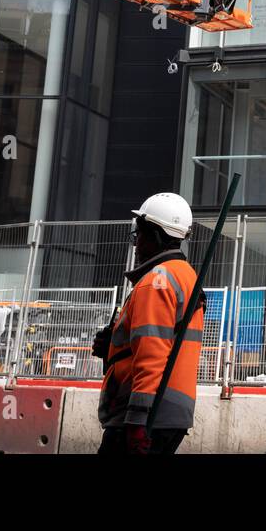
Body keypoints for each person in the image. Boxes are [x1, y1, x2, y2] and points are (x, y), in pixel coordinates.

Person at [93, 192, 203, 455]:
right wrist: (113, 349)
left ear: (154, 235)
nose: (136, 244)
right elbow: (164, 340)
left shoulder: (156, 282)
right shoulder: (186, 276)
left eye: (139, 235)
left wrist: (137, 421)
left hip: (149, 411)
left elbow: (152, 354)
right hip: (172, 409)